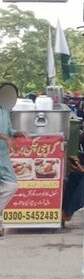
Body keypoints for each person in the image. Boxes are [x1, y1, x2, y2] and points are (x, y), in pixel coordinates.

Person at [0, 83, 30, 237]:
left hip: (3, 157)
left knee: (11, 186)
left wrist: (16, 133)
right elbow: (3, 134)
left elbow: (8, 130)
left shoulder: (5, 111)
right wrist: (5, 137)